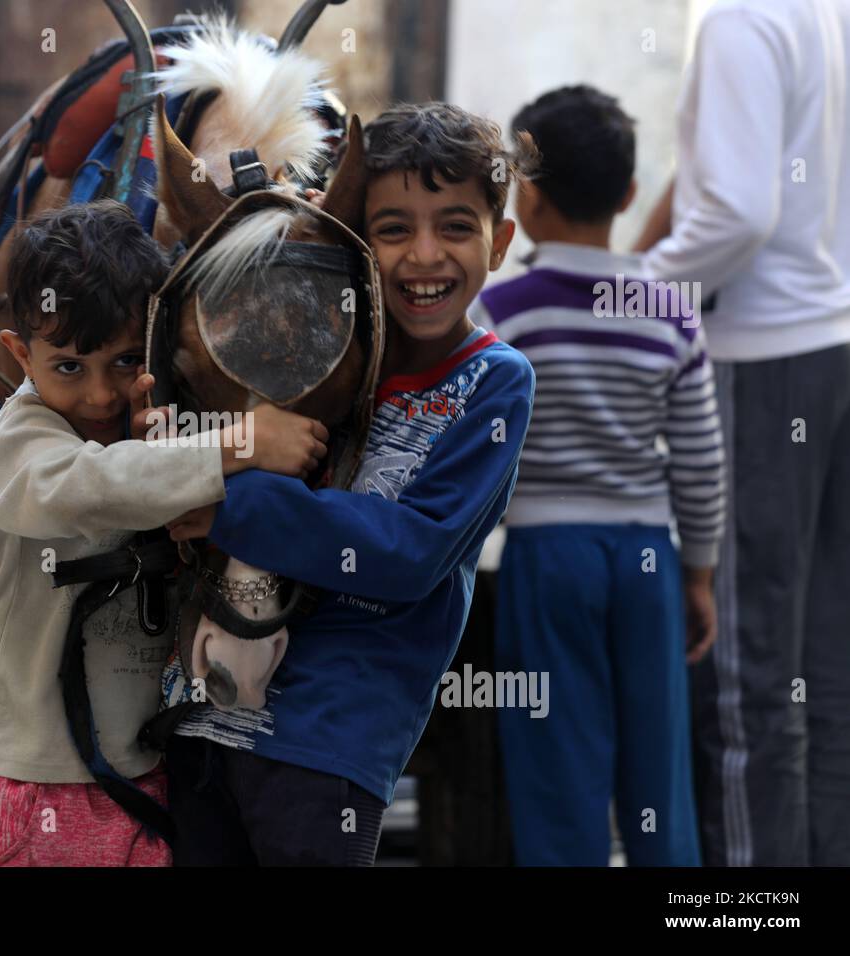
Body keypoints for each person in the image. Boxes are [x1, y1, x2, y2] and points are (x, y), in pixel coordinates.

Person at [158, 103, 536, 866]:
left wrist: (226, 499)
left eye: (455, 227)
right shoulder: (313, 341)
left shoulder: (493, 383)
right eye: (393, 230)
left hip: (330, 748)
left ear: (498, 242)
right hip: (196, 725)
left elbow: (408, 553)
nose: (424, 257)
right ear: (355, 240)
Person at [0, 199, 327, 866]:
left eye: (123, 363)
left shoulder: (150, 433)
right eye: (69, 366)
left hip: (136, 780)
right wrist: (242, 443)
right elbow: (89, 485)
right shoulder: (25, 435)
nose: (98, 394)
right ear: (17, 353)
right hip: (33, 782)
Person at [470, 84, 725, 865]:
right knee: (659, 767)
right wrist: (700, 574)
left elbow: (480, 443)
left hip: (549, 559)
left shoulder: (500, 313)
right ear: (628, 195)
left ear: (529, 198)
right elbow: (702, 457)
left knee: (558, 766)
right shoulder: (672, 313)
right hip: (649, 557)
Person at [636, 0, 850, 867]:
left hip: (763, 359)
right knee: (823, 666)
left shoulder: (739, 18)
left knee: (744, 675)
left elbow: (735, 213)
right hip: (833, 347)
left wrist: (632, 293)